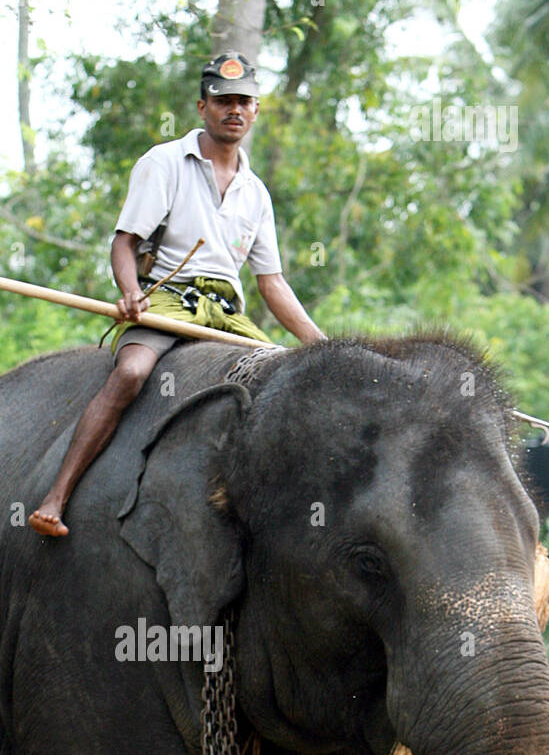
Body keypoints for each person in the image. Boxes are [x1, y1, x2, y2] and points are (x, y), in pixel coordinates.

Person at [29, 52, 326, 537]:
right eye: (222, 100)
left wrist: (319, 342)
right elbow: (124, 243)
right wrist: (130, 292)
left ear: (255, 110)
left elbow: (270, 283)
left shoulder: (256, 193)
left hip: (226, 314)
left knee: (289, 387)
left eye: (243, 102)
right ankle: (56, 495)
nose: (233, 110)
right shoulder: (165, 162)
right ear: (202, 106)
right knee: (132, 371)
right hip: (168, 300)